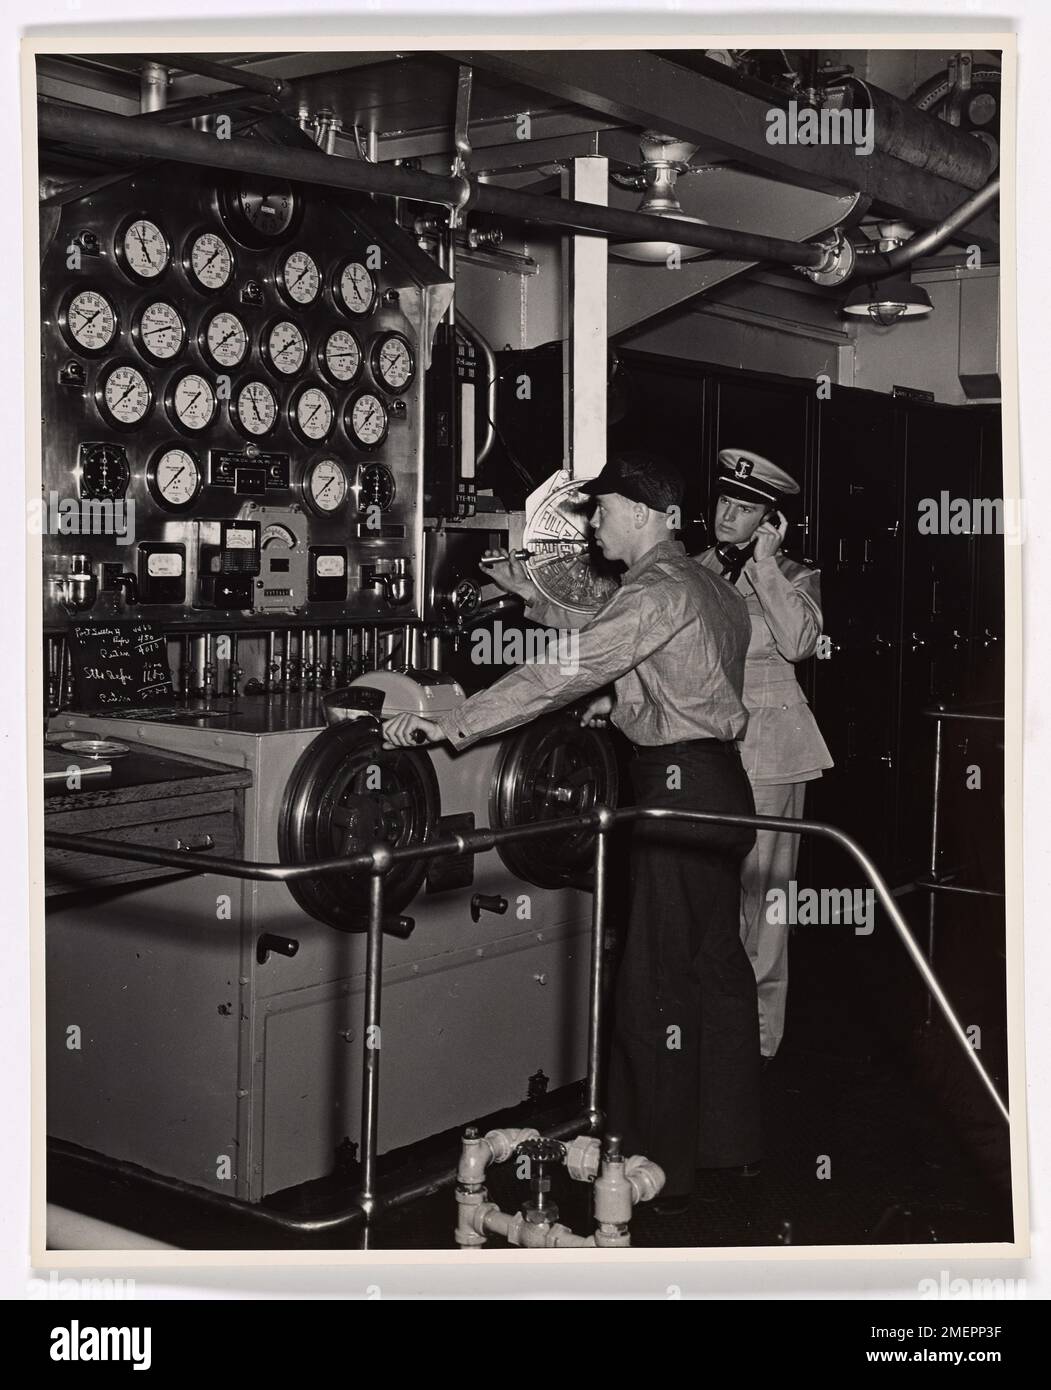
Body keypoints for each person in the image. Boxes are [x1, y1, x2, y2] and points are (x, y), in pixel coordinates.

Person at [384, 451, 762, 1209]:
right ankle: (723, 1143)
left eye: (604, 509)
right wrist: (533, 600)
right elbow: (629, 645)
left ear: (648, 513)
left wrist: (451, 722)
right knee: (714, 968)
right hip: (720, 786)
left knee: (655, 979)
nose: (592, 525)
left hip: (676, 790)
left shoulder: (655, 586)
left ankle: (651, 1165)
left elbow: (568, 666)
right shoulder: (701, 584)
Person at [696, 448, 834, 1064]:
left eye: (745, 506)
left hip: (773, 752)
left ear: (771, 522)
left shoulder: (794, 575)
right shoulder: (695, 568)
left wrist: (767, 567)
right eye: (724, 500)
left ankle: (757, 1038)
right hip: (704, 747)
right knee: (710, 888)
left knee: (767, 897)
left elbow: (802, 644)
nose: (728, 513)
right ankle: (711, 1021)